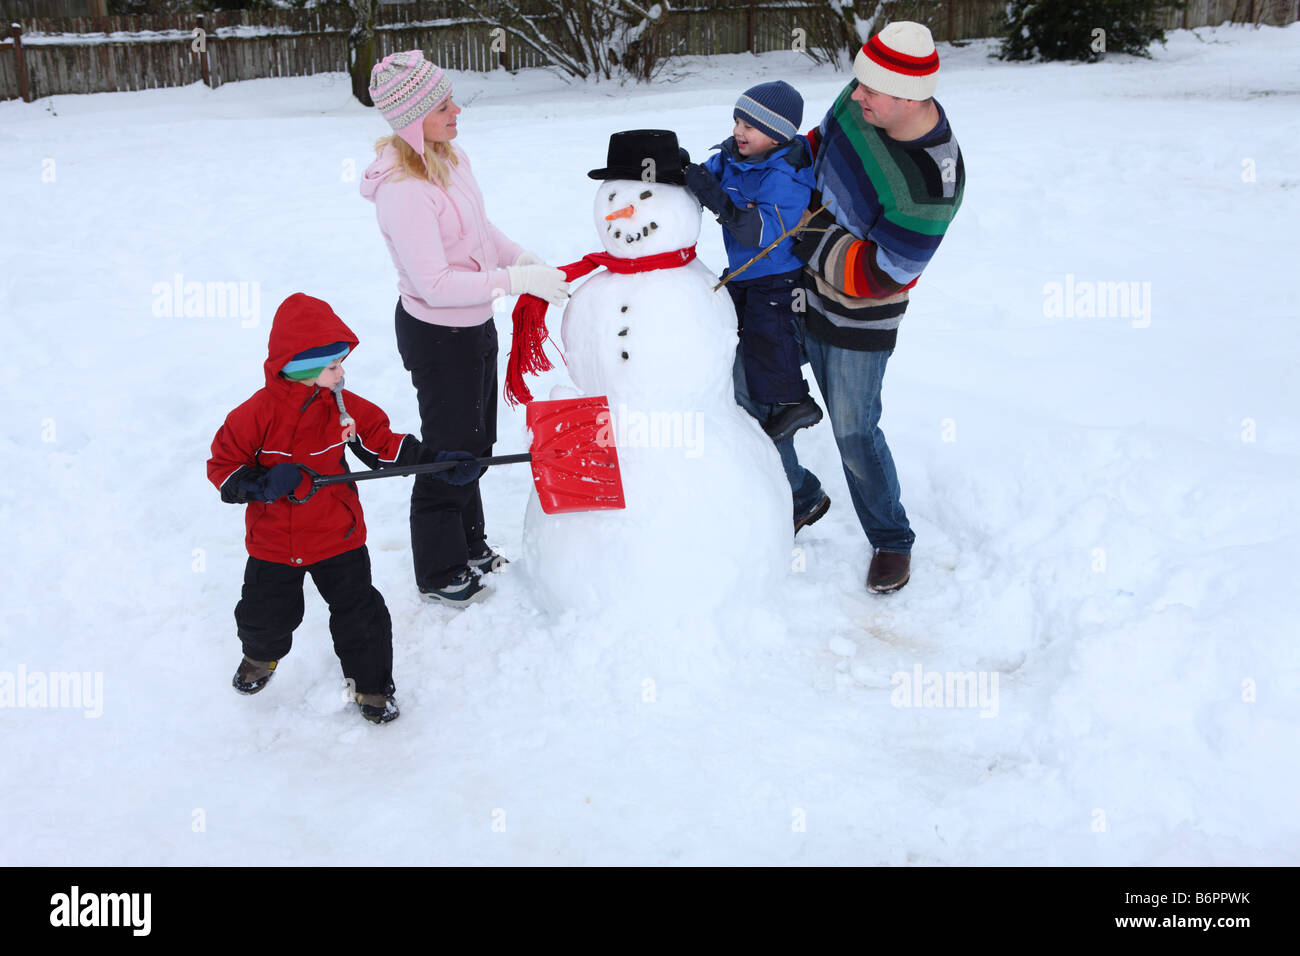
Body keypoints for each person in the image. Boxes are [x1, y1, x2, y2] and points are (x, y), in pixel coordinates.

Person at [746, 21, 966, 593]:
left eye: (871, 91)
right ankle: (800, 495)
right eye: (858, 83)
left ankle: (892, 538)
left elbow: (884, 271)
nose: (855, 95)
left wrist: (798, 231)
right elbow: (820, 144)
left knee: (854, 430)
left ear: (911, 97)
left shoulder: (931, 182)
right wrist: (769, 168)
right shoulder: (864, 97)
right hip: (794, 284)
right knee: (751, 391)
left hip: (855, 318)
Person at [360, 50, 569, 607]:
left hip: (474, 324)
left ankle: (470, 543)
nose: (457, 110)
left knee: (476, 442)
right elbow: (435, 284)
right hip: (437, 334)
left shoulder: (450, 158)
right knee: (449, 451)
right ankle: (438, 568)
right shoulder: (404, 192)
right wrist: (516, 280)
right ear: (411, 119)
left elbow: (479, 232)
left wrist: (520, 255)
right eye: (441, 105)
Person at [206, 293, 442, 725]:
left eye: (340, 363)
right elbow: (222, 469)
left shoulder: (343, 407)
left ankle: (371, 685)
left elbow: (380, 441)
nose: (341, 372)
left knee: (361, 616)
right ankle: (260, 657)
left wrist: (436, 461)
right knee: (265, 615)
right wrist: (263, 482)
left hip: (338, 533)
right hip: (274, 542)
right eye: (332, 365)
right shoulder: (253, 416)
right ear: (302, 368)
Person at [684, 80, 823, 444]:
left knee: (767, 334)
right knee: (733, 331)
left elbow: (759, 233)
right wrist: (679, 170)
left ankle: (794, 402)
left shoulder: (785, 176)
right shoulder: (734, 158)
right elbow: (706, 174)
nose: (737, 131)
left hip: (777, 275)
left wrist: (715, 197)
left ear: (776, 136)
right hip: (746, 273)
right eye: (737, 121)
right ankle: (750, 406)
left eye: (748, 126)